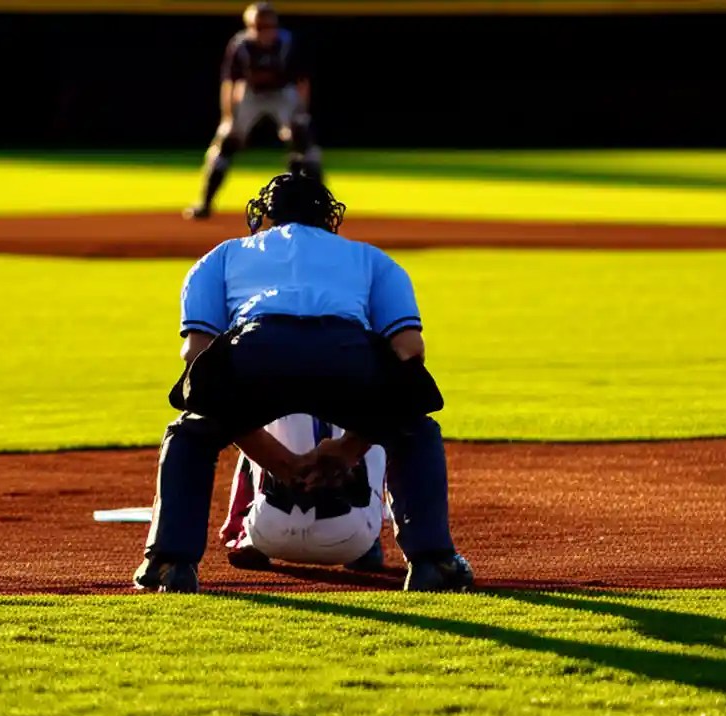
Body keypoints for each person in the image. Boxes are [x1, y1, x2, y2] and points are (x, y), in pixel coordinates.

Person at [135, 171, 473, 593]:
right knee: (415, 429)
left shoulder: (221, 256)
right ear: (329, 217)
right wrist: (351, 447)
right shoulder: (370, 258)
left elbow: (197, 357)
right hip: (345, 349)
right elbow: (409, 349)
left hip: (256, 348)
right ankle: (432, 562)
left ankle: (170, 563)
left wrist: (270, 455)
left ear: (264, 215)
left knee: (191, 431)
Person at [183, 2, 324, 221]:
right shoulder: (240, 45)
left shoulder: (287, 43)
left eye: (268, 26)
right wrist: (228, 117)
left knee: (303, 139)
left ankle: (318, 205)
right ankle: (205, 202)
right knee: (226, 140)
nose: (263, 32)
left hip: (282, 93)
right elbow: (230, 83)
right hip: (251, 94)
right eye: (258, 26)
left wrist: (300, 114)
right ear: (249, 26)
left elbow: (302, 81)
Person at [219, 413, 388, 572]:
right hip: (352, 537)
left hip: (267, 531)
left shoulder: (264, 381)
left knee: (253, 432)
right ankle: (374, 545)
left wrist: (287, 464)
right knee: (386, 420)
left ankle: (246, 536)